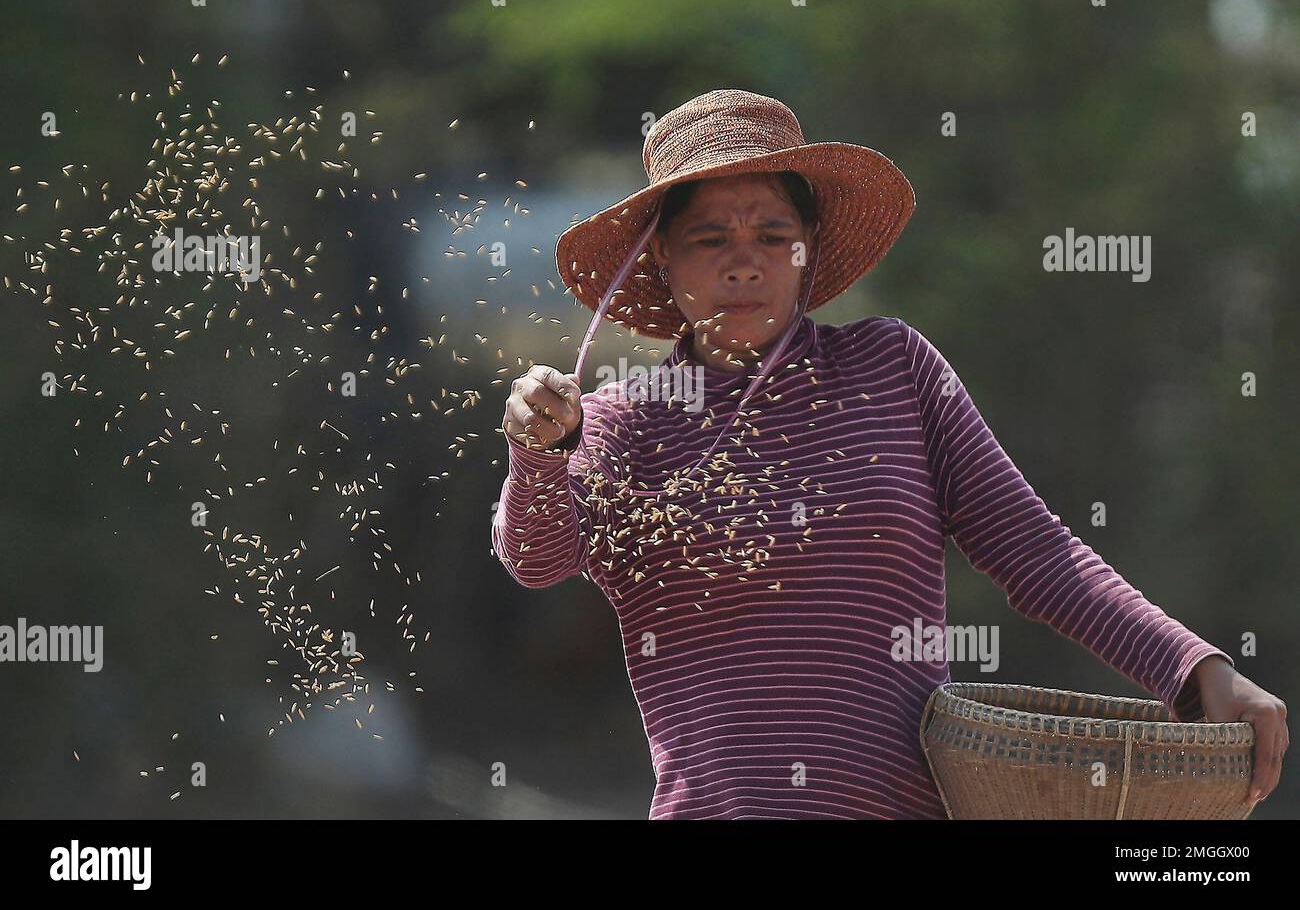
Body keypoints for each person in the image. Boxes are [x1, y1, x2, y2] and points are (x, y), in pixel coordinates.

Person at [493, 88, 1287, 819]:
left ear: (808, 247)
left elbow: (1035, 552)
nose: (747, 260)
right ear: (660, 257)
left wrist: (1195, 670)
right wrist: (538, 454)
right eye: (710, 238)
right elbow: (536, 558)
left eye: (775, 234)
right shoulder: (619, 424)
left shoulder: (892, 369)